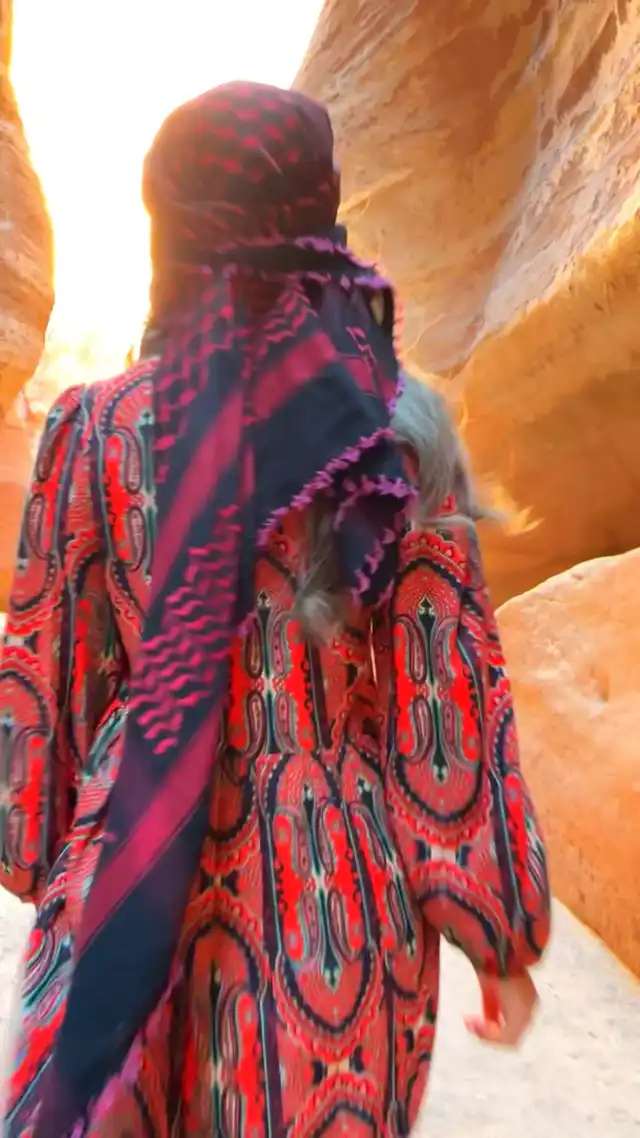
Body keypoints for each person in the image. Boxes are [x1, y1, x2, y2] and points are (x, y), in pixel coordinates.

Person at [0, 82, 550, 1138]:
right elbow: (445, 707)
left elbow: (48, 675)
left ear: (170, 219)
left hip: (127, 871)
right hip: (333, 909)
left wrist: (46, 857)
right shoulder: (398, 430)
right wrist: (499, 937)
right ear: (317, 211)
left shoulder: (95, 428)